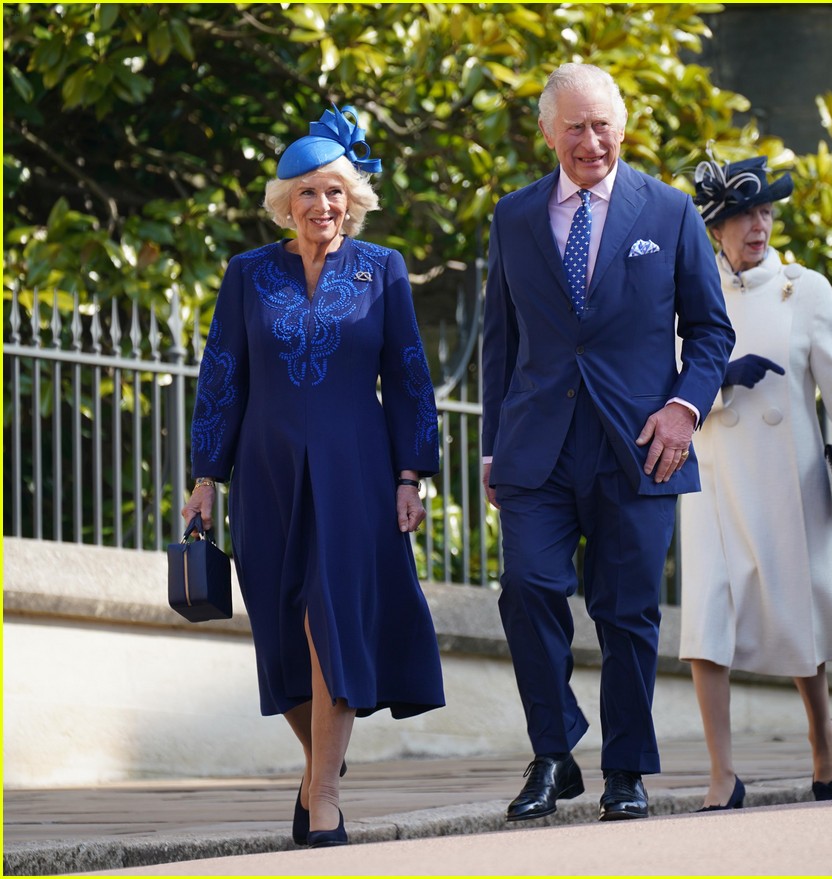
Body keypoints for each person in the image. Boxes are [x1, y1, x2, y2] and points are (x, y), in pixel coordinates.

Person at [181, 104, 444, 847]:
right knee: (280, 627)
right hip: (264, 470)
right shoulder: (247, 273)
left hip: (356, 467)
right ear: (284, 203)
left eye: (335, 192)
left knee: (332, 616)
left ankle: (323, 792)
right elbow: (222, 376)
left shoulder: (381, 268)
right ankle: (316, 764)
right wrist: (206, 478)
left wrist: (410, 473)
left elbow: (411, 377)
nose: (322, 206)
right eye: (307, 193)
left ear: (352, 200)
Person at [481, 63, 734, 823]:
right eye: (574, 127)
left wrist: (685, 409)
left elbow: (712, 331)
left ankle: (626, 767)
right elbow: (503, 337)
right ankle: (554, 753)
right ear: (547, 133)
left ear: (622, 128)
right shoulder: (514, 216)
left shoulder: (671, 211)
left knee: (627, 614)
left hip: (640, 445)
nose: (590, 141)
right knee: (526, 588)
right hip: (537, 445)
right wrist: (494, 445)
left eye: (602, 125)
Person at [678, 156, 832, 810]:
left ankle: (822, 733)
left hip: (785, 476)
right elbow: (660, 377)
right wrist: (714, 379)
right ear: (715, 226)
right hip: (710, 469)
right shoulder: (686, 289)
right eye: (742, 214)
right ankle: (722, 772)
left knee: (796, 614)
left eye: (765, 211)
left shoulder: (807, 289)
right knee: (706, 622)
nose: (757, 225)